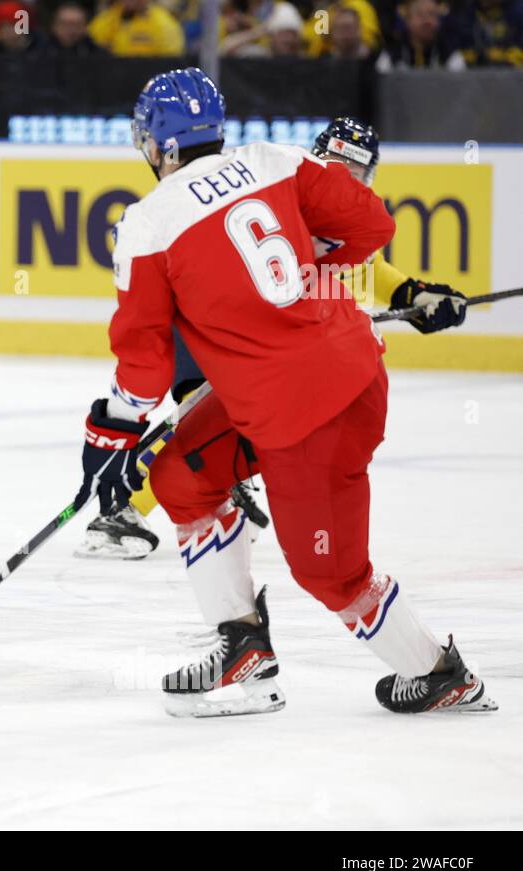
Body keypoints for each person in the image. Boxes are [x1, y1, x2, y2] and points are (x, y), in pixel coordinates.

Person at [75, 67, 496, 716]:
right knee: (183, 477)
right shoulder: (275, 160)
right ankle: (243, 645)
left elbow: (144, 369)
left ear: (155, 143)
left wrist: (108, 428)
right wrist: (314, 290)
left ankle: (441, 673)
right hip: (335, 377)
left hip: (308, 415)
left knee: (330, 572)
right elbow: (370, 225)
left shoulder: (147, 223)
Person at [76, 114, 470, 562]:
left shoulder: (324, 206)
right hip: (210, 328)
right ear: (319, 159)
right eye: (336, 164)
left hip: (259, 347)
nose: (344, 177)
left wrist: (414, 295)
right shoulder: (284, 196)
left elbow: (367, 268)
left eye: (356, 172)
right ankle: (130, 504)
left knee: (215, 426)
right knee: (195, 417)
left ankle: (195, 488)